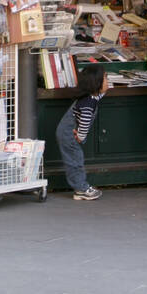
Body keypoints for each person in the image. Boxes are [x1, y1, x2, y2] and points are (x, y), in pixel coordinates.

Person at [56, 65, 109, 201]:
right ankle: (81, 188)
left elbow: (100, 95)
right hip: (70, 134)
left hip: (70, 133)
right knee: (75, 160)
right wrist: (80, 137)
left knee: (75, 158)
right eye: (105, 78)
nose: (108, 81)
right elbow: (84, 124)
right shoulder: (88, 103)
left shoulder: (91, 97)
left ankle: (81, 187)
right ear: (96, 83)